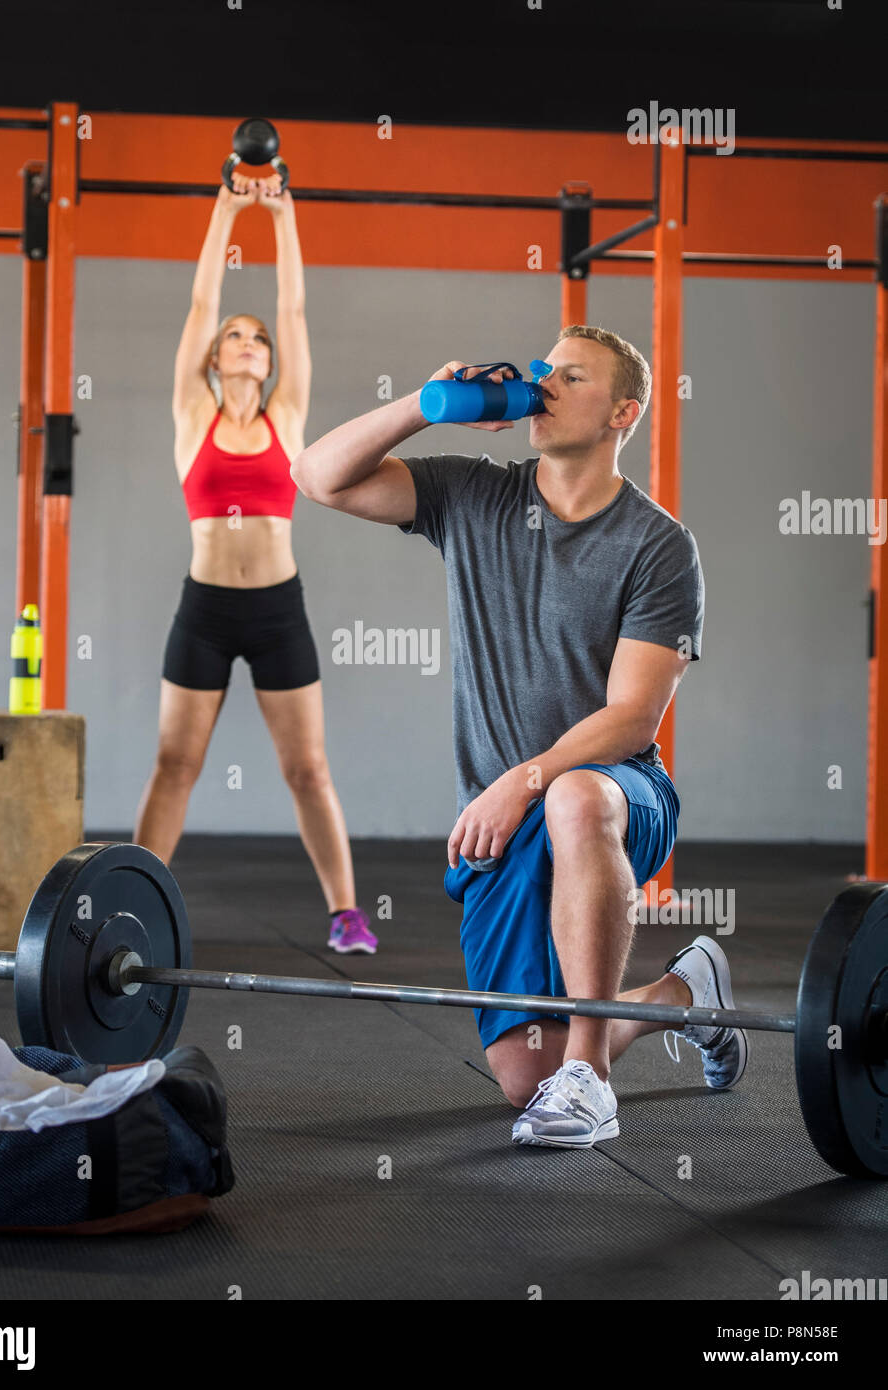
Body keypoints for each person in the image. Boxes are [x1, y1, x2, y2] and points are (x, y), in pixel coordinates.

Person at [290, 324, 747, 1147]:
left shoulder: (658, 546)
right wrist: (427, 404)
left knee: (573, 795)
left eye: (569, 378)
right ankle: (681, 999)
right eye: (542, 371)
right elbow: (317, 476)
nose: (542, 386)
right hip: (502, 822)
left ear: (623, 414)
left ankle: (594, 1082)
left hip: (616, 793)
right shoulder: (473, 496)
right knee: (522, 1079)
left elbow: (632, 717)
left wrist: (523, 779)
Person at [134, 170, 376, 955]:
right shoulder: (192, 413)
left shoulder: (289, 415)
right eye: (236, 336)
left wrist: (283, 217)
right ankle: (128, 900)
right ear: (214, 357)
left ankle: (345, 913)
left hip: (277, 611)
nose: (249, 341)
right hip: (204, 608)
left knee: (308, 769)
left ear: (269, 360)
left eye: (257, 338)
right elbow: (201, 302)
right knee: (175, 763)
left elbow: (295, 307)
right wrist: (226, 208)